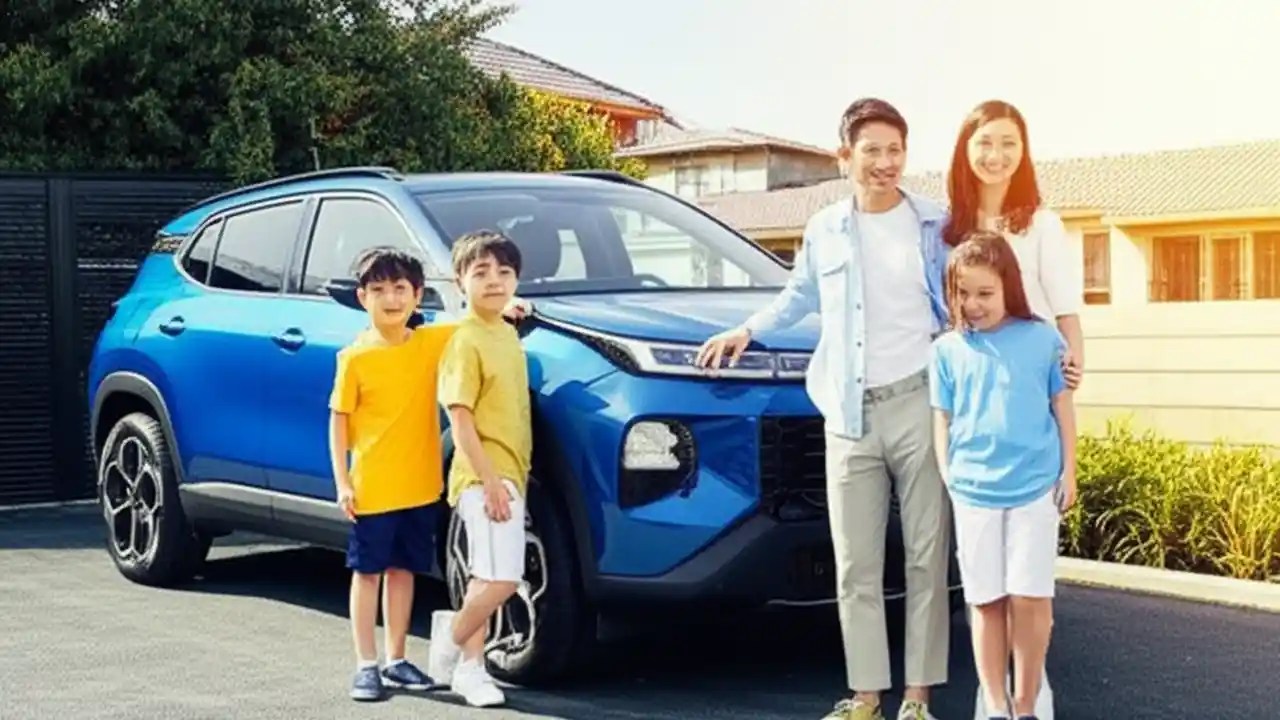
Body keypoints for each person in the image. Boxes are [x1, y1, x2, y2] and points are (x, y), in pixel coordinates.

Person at [696, 98, 952, 720]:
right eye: (872, 151)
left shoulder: (936, 225)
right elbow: (798, 294)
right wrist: (747, 330)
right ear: (845, 157)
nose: (886, 163)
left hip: (921, 402)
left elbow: (968, 297)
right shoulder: (825, 228)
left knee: (925, 555)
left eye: (896, 150)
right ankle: (866, 694)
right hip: (846, 411)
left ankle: (917, 698)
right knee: (855, 564)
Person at [928, 230, 1077, 720]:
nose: (973, 304)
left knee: (1031, 597)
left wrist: (1069, 471)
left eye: (985, 293)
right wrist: (949, 474)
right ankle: (994, 703)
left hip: (1035, 488)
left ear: (1009, 287)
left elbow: (1062, 406)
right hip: (973, 491)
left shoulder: (1042, 339)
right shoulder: (946, 350)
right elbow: (942, 418)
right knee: (985, 600)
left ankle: (1027, 703)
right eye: (963, 293)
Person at [328, 246, 457, 702]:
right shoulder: (355, 357)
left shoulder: (429, 344)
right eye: (379, 289)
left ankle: (397, 659)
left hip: (421, 485)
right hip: (373, 489)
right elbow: (338, 421)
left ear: (418, 295)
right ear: (362, 297)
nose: (391, 297)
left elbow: (478, 324)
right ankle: (366, 664)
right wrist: (343, 482)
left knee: (405, 572)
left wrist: (512, 310)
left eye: (400, 288)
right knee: (368, 574)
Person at [426, 229, 532, 709]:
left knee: (484, 577)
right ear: (459, 280)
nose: (494, 281)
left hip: (509, 472)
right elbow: (459, 417)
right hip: (483, 475)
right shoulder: (465, 340)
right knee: (503, 580)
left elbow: (503, 309)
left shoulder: (504, 330)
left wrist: (512, 308)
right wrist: (489, 480)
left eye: (504, 273)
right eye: (481, 272)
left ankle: (472, 670)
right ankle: (449, 645)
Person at [942, 99, 1085, 382]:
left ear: (1023, 150)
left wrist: (1074, 362)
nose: (995, 156)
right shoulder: (946, 228)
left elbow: (1065, 309)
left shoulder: (1043, 225)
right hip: (973, 376)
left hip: (1032, 372)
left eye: (1008, 143)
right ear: (965, 148)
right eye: (984, 143)